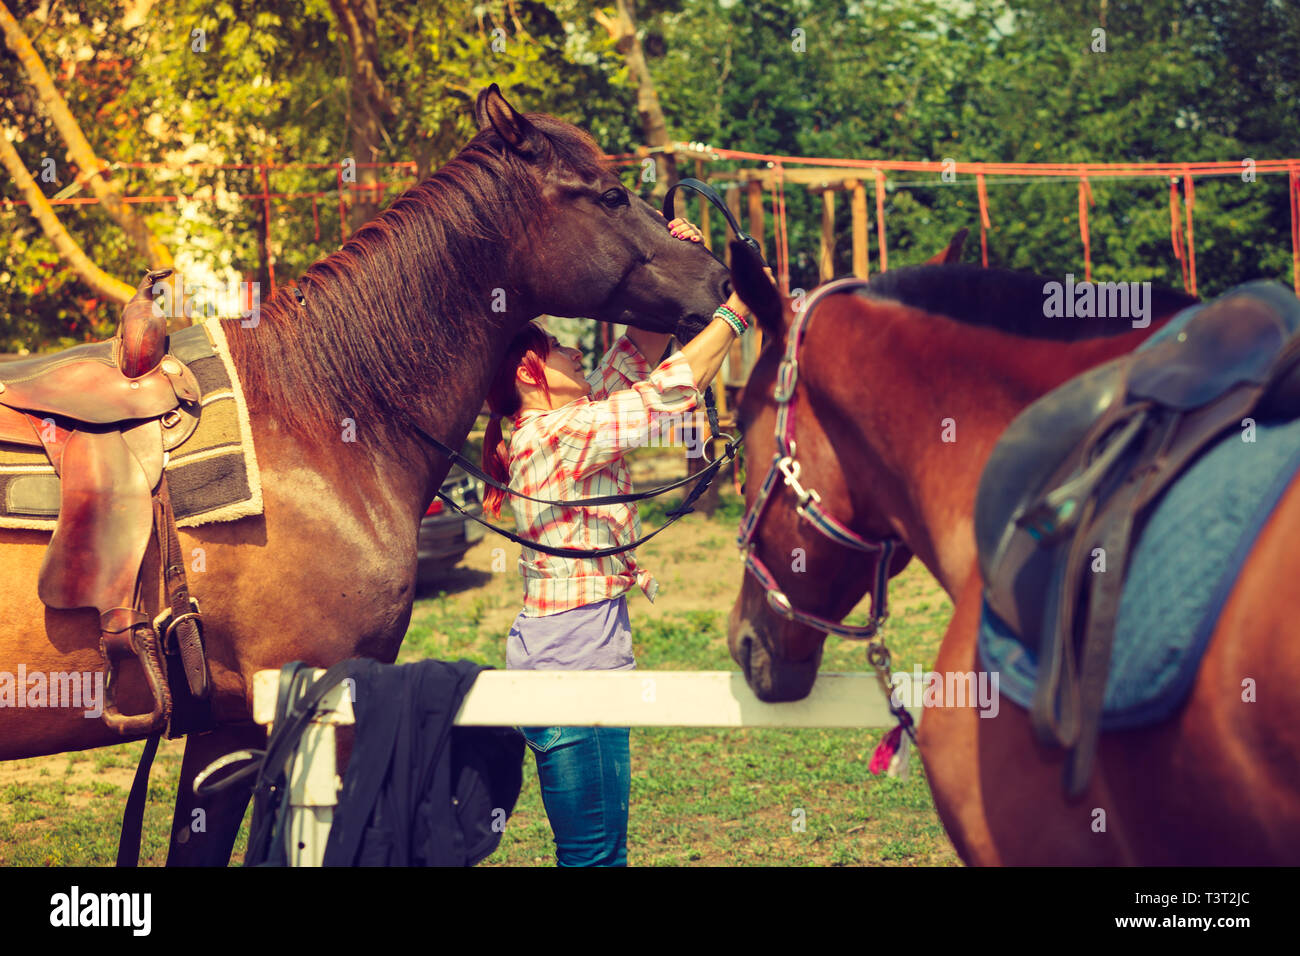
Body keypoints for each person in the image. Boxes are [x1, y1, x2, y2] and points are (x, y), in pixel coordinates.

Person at [480, 216, 756, 866]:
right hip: (575, 669)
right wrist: (742, 309)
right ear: (529, 374)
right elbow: (665, 391)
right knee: (596, 856)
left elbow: (639, 351)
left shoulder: (561, 423)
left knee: (595, 851)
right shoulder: (553, 437)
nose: (577, 354)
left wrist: (674, 259)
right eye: (560, 350)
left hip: (572, 652)